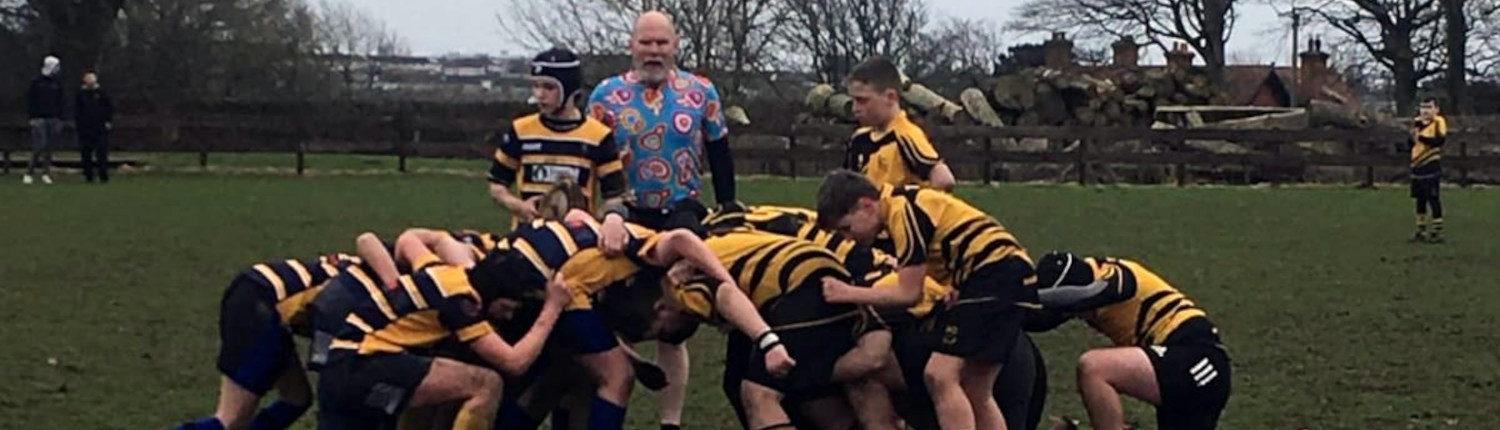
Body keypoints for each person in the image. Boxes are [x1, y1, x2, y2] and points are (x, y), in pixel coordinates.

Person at [588, 11, 738, 429]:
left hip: (681, 209)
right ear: (631, 45)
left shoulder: (701, 91)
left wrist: (729, 206)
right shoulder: (605, 96)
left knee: (675, 321)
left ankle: (670, 422)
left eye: (662, 43)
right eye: (646, 43)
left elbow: (721, 154)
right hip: (626, 211)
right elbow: (587, 160)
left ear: (676, 45)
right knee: (610, 303)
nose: (654, 51)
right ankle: (621, 358)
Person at [817, 170, 1037, 430]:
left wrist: (847, 293)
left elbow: (909, 294)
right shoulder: (908, 202)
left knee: (939, 375)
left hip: (993, 274)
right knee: (976, 389)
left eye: (847, 228)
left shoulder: (901, 210)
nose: (848, 239)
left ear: (867, 205)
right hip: (1012, 275)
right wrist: (953, 283)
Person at [306, 234, 572, 430]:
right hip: (363, 363)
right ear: (494, 294)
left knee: (444, 386)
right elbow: (514, 362)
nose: (509, 315)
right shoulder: (464, 302)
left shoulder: (446, 273)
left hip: (341, 366)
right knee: (486, 384)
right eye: (508, 306)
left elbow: (411, 241)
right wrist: (552, 308)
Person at [1026, 252, 1231, 430]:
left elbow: (1090, 294)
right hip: (1190, 366)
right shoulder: (1085, 276)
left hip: (1195, 356)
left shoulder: (1113, 277)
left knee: (1094, 368)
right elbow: (1041, 320)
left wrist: (1034, 296)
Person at [173, 252, 364, 430]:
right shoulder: (362, 291)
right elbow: (329, 357)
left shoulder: (364, 271)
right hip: (259, 301)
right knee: (231, 419)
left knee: (297, 398)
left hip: (260, 293)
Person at [489, 48, 627, 227]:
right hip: (526, 237)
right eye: (536, 86)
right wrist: (519, 207)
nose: (540, 94)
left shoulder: (599, 135)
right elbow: (497, 185)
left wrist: (595, 221)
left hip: (574, 241)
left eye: (549, 87)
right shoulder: (520, 130)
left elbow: (615, 196)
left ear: (568, 90)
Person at [844, 57, 956, 191]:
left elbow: (944, 179)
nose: (855, 108)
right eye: (853, 101)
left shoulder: (906, 135)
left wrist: (907, 203)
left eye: (862, 100)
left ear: (890, 97)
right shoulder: (859, 138)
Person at [1409, 98, 1447, 243]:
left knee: (1433, 197)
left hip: (1431, 165)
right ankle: (1420, 230)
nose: (1425, 111)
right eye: (1423, 107)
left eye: (1429, 107)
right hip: (1417, 165)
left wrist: (1422, 138)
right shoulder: (1416, 123)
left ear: (1436, 109)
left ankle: (1437, 231)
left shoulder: (1439, 122)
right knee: (1420, 199)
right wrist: (1412, 139)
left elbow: (1439, 141)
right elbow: (1411, 143)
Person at [25, 55, 64, 185]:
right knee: (39, 146)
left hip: (53, 118)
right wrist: (31, 117)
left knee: (49, 148)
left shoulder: (56, 83)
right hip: (38, 118)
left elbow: (60, 101)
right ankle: (29, 172)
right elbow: (30, 100)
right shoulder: (36, 82)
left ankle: (45, 173)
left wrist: (60, 118)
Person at [75, 70, 114, 184]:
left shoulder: (102, 93)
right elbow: (77, 111)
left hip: (100, 127)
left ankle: (103, 176)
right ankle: (88, 176)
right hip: (85, 128)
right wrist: (79, 125)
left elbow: (109, 108)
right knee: (86, 153)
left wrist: (108, 121)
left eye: (92, 79)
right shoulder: (80, 94)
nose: (90, 82)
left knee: (101, 153)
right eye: (88, 79)